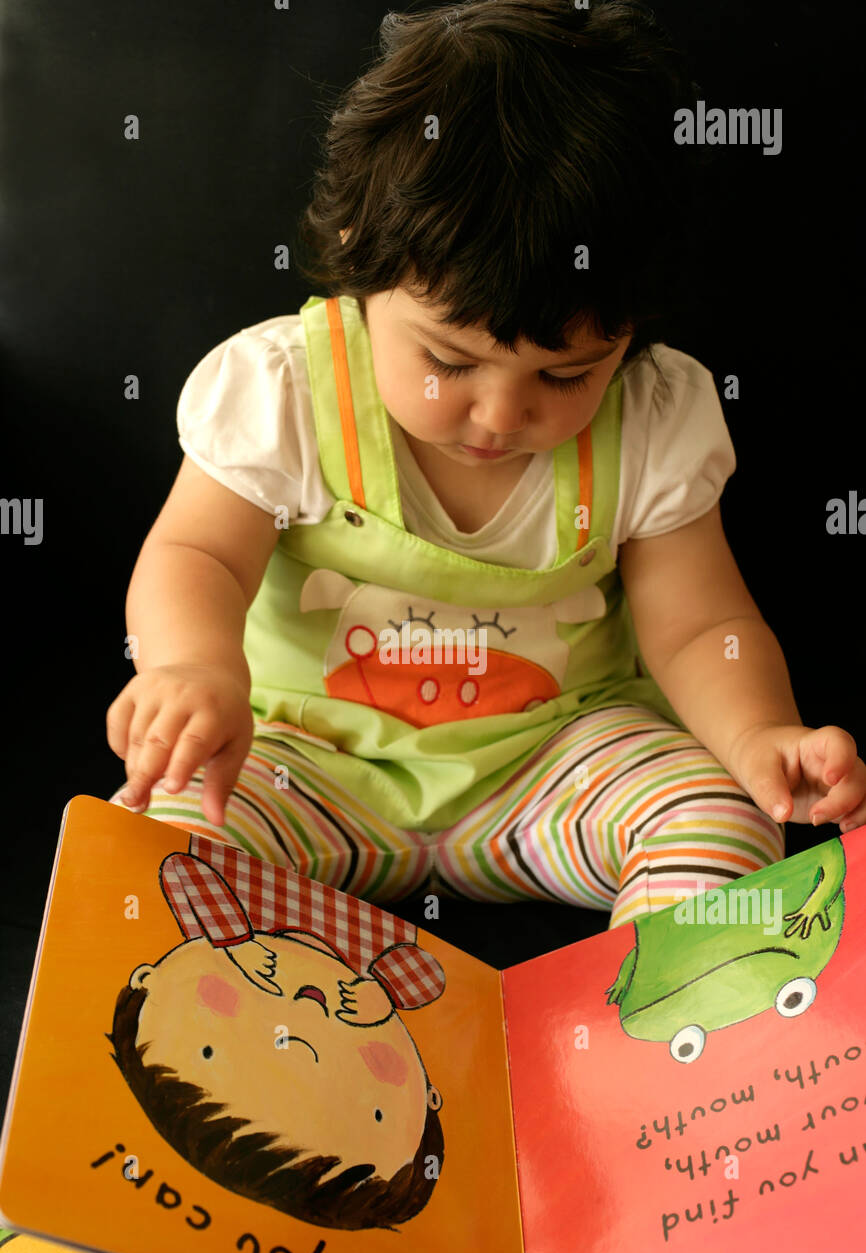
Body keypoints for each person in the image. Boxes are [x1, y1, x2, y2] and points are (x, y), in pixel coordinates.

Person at [106, 0, 866, 931]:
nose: (502, 415)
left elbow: (701, 626)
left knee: (725, 820)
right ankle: (290, 1028)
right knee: (158, 838)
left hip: (558, 759)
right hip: (306, 753)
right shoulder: (284, 391)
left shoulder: (656, 412)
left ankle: (650, 1040)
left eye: (566, 373)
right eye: (449, 362)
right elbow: (200, 558)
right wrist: (195, 670)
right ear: (359, 259)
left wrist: (758, 736)